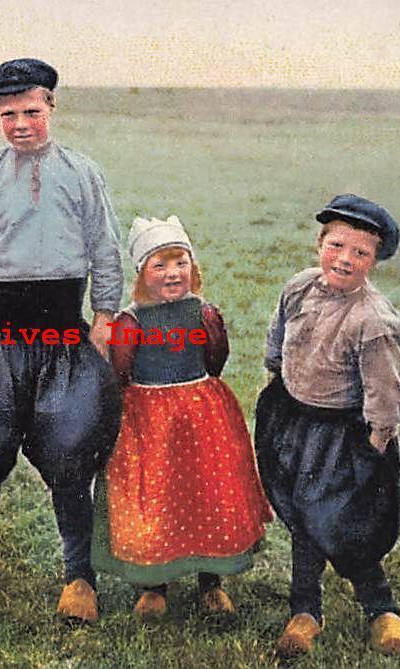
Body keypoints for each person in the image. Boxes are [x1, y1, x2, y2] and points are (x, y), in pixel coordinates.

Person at [0, 58, 123, 624]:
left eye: (31, 111)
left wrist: (105, 315)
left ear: (51, 107)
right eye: (9, 114)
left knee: (70, 451)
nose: (21, 124)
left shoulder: (82, 173)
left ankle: (79, 578)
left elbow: (105, 247)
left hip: (62, 334)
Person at [255, 194, 400, 657]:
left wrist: (374, 444)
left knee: (341, 522)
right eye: (336, 245)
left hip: (345, 436)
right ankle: (305, 610)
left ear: (374, 261)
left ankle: (381, 609)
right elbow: (278, 339)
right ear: (320, 243)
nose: (345, 259)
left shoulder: (373, 319)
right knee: (303, 518)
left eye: (360, 252)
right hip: (294, 423)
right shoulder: (300, 288)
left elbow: (386, 392)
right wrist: (276, 379)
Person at [92, 216, 272, 620]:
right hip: (150, 421)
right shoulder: (131, 321)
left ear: (194, 268)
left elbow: (215, 358)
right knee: (156, 499)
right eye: (160, 265)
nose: (173, 273)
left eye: (181, 263)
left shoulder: (203, 314)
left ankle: (212, 582)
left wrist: (195, 391)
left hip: (200, 416)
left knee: (208, 493)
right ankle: (154, 585)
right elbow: (120, 370)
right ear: (142, 274)